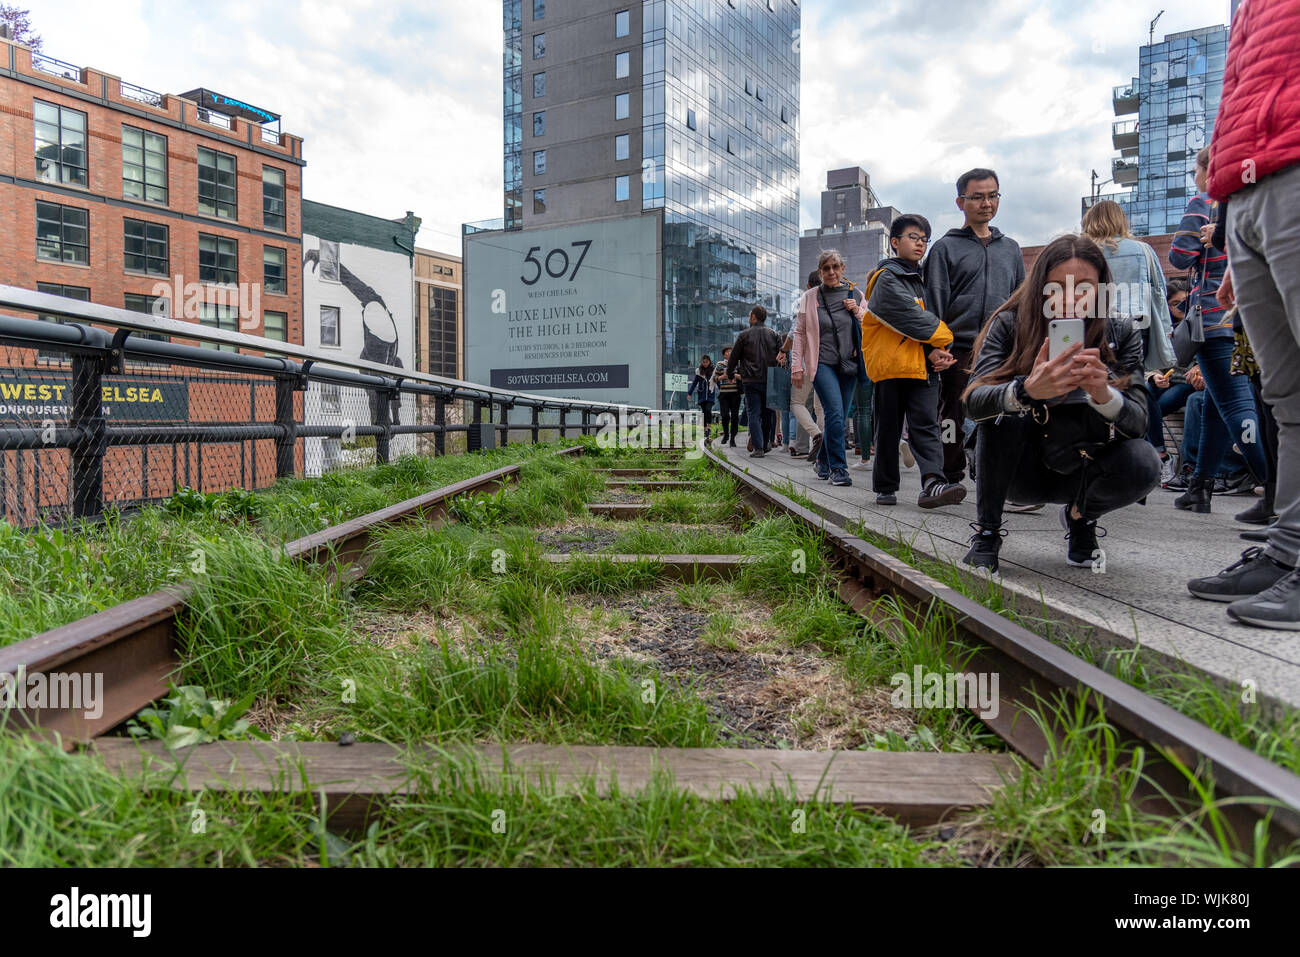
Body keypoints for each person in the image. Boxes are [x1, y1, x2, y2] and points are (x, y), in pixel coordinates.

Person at [1185, 0, 1300, 627]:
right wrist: (1231, 226)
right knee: (1285, 395)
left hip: (1293, 168)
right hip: (1249, 191)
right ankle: (1288, 551)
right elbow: (1236, 96)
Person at [960, 235, 1161, 573]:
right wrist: (1024, 391)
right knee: (1001, 413)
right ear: (1040, 287)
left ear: (1101, 287)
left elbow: (1140, 421)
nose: (1070, 298)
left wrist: (1104, 394)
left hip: (1084, 464)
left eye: (1084, 287)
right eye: (1057, 287)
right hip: (1017, 470)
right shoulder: (1010, 323)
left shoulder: (1121, 330)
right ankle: (987, 532)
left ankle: (1081, 518)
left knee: (1145, 461)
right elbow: (973, 402)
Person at [1166, 146, 1266, 513]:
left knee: (1237, 406)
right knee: (1214, 406)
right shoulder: (1248, 203)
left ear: (1208, 170)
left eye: (1196, 169)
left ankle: (1274, 487)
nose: (1195, 177)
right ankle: (1200, 486)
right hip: (1246, 318)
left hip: (1211, 319)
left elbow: (1178, 257)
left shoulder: (1205, 201)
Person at [924, 168, 1027, 492]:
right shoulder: (944, 248)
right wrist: (933, 346)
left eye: (993, 195)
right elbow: (933, 300)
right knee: (952, 413)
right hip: (957, 346)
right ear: (961, 202)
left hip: (999, 346)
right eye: (978, 196)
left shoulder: (1010, 248)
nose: (986, 203)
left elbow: (1019, 299)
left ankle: (994, 473)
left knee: (1001, 410)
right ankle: (950, 472)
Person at [859, 214, 966, 508]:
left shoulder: (925, 281)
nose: (920, 244)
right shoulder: (886, 279)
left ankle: (933, 482)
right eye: (913, 237)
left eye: (924, 239)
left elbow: (925, 322)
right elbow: (912, 319)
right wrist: (942, 341)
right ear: (895, 242)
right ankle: (885, 486)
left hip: (922, 367)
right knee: (888, 428)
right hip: (892, 367)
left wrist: (935, 352)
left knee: (927, 426)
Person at [790, 250, 867, 486]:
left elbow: (870, 325)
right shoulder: (810, 297)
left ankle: (822, 461)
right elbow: (800, 333)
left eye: (835, 267)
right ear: (820, 271)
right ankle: (838, 469)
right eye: (826, 268)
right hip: (821, 363)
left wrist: (857, 310)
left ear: (842, 268)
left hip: (849, 364)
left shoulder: (856, 294)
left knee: (840, 417)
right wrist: (796, 366)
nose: (831, 272)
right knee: (834, 412)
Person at [779, 271, 826, 459]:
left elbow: (793, 333)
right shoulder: (831, 301)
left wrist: (783, 352)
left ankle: (816, 435)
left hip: (806, 362)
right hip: (826, 362)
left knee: (797, 403)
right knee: (821, 407)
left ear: (808, 286)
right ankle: (824, 447)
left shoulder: (805, 300)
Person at [725, 306, 783, 458]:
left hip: (750, 380)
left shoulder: (744, 335)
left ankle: (758, 448)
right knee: (768, 414)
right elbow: (782, 357)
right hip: (771, 378)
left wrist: (730, 373)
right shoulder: (775, 335)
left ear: (753, 317)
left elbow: (733, 358)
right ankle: (764, 444)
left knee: (753, 413)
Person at [714, 346, 742, 447]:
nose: (729, 353)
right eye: (727, 352)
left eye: (731, 351)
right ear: (724, 354)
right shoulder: (720, 364)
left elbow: (743, 377)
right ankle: (726, 434)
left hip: (735, 394)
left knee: (735, 417)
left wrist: (733, 374)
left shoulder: (738, 364)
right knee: (725, 415)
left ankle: (733, 438)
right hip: (724, 394)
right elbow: (715, 379)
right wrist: (724, 376)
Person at [686, 355, 719, 438]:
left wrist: (722, 390)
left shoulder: (713, 370)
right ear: (701, 362)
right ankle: (705, 430)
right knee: (704, 412)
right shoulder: (698, 371)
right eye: (703, 362)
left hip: (710, 394)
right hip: (702, 395)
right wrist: (689, 393)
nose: (705, 364)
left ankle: (709, 427)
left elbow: (717, 381)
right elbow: (694, 383)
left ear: (709, 362)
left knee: (708, 409)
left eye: (706, 362)